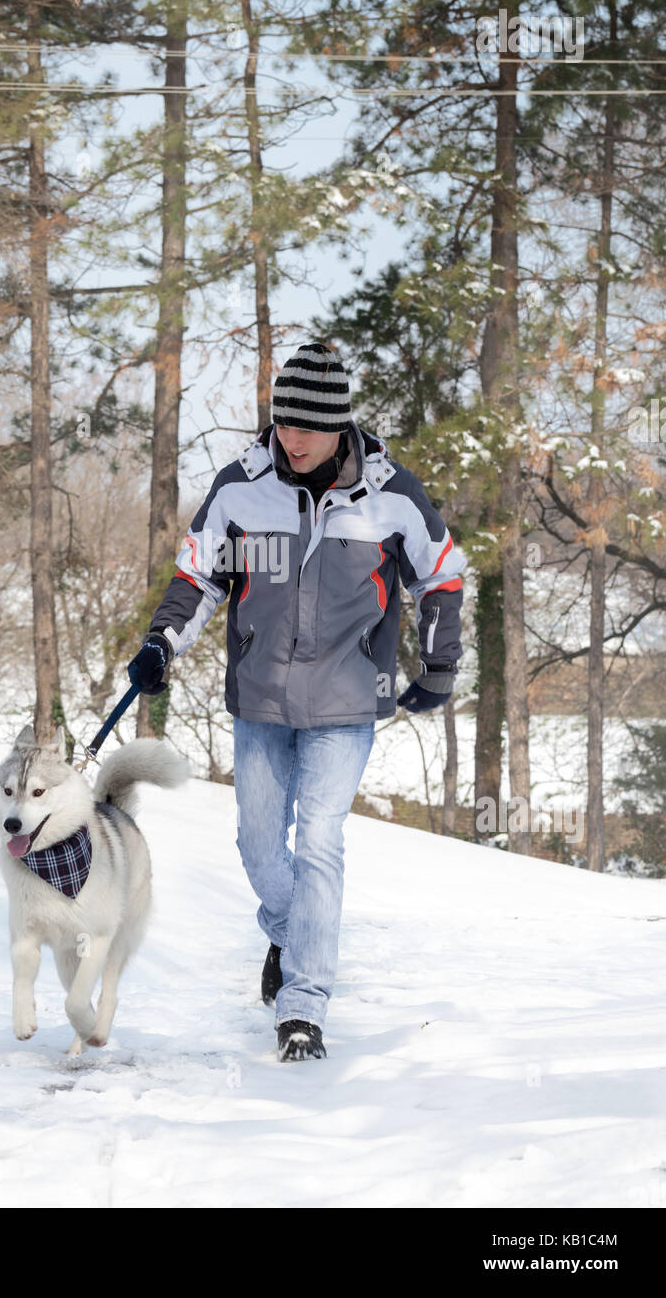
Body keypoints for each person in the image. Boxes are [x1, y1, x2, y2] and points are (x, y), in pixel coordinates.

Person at [127, 343, 466, 1063]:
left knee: (318, 842)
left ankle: (302, 1007)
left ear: (341, 427)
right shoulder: (240, 489)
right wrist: (162, 644)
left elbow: (440, 575)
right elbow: (198, 579)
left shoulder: (392, 495)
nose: (293, 438)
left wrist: (439, 666)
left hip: (348, 698)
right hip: (261, 698)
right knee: (257, 843)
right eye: (284, 423)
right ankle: (291, 933)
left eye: (308, 427)